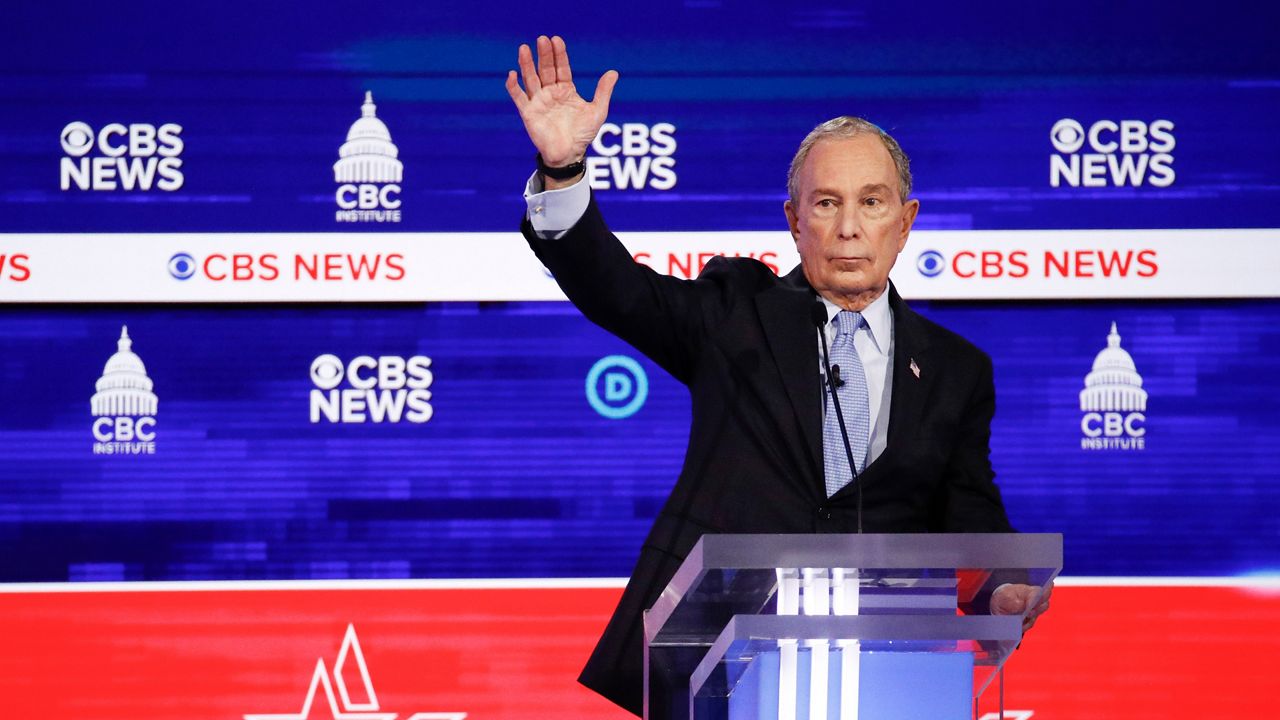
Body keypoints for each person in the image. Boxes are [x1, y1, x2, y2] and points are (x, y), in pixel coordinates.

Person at [506, 35, 1052, 717]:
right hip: (715, 669)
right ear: (794, 222)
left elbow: (969, 511)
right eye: (825, 204)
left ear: (905, 223)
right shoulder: (737, 315)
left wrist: (1002, 581)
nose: (849, 227)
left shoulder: (954, 370)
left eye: (872, 203)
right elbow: (617, 290)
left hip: (884, 675)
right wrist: (564, 171)